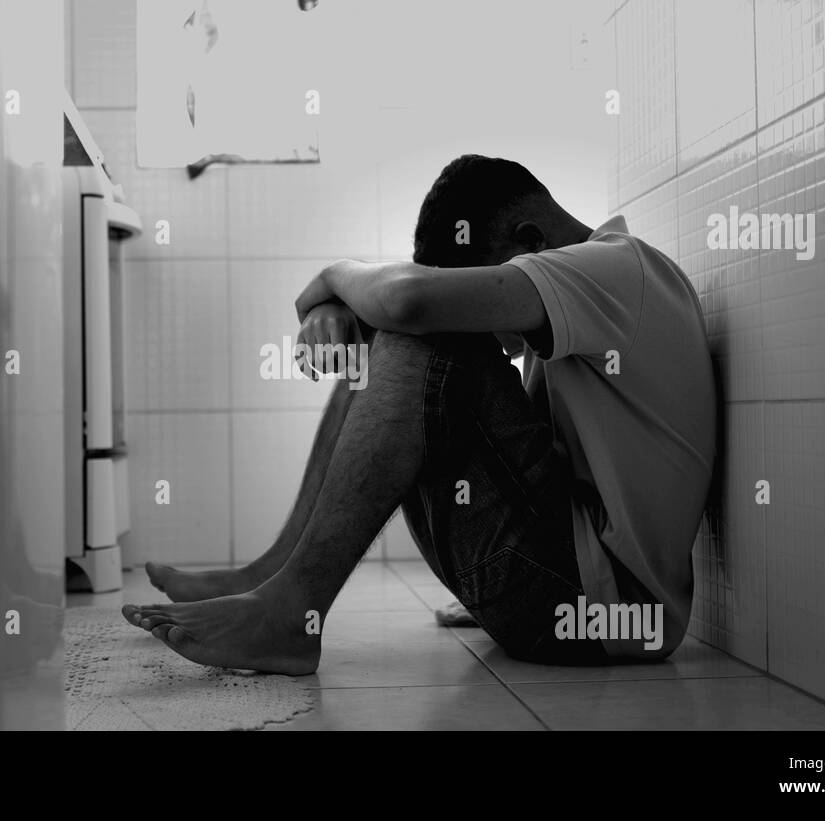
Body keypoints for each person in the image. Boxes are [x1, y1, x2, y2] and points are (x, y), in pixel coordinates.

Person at [124, 154, 716, 673]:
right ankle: (273, 578)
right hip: (563, 595)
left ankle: (290, 610)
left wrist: (331, 276)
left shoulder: (619, 268)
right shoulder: (582, 312)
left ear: (531, 239)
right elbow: (406, 307)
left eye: (495, 280)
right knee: (406, 332)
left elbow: (411, 301)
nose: (496, 323)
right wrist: (337, 313)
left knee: (421, 331)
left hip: (606, 612)